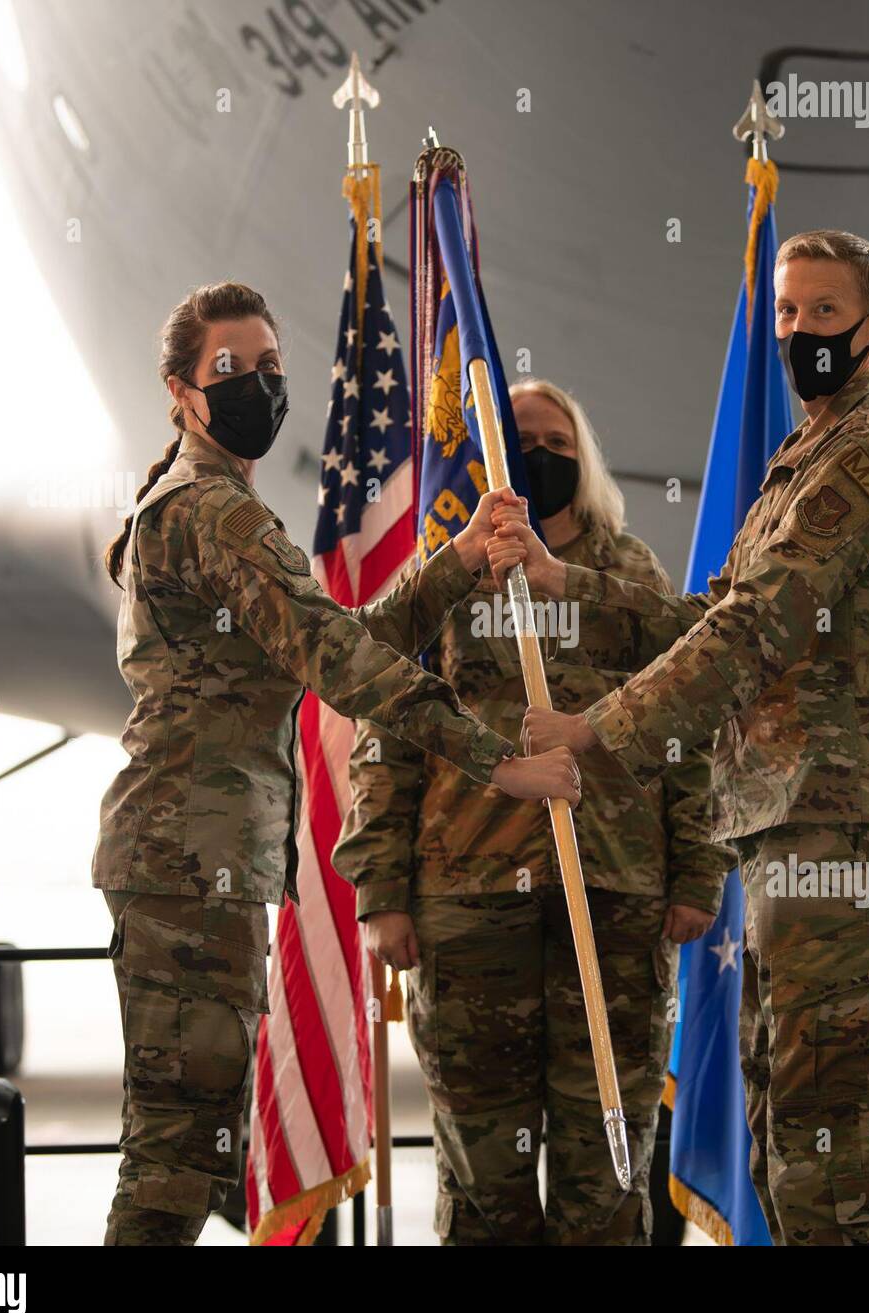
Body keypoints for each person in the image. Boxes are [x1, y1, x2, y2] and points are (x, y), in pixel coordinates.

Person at [489, 231, 869, 1246]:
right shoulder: (802, 460)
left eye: (822, 314)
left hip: (845, 830)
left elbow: (757, 625)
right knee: (784, 1136)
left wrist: (594, 736)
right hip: (788, 828)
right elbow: (714, 609)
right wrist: (568, 582)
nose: (795, 333)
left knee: (837, 1151)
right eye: (784, 314)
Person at [91, 281, 580, 1246]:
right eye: (231, 369)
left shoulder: (220, 507)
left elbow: (330, 640)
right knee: (178, 1149)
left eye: (272, 367)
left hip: (198, 856)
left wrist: (458, 562)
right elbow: (341, 663)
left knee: (192, 1138)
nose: (258, 386)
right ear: (182, 391)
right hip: (189, 858)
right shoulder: (211, 513)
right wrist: (500, 766)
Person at [333, 378, 732, 1245]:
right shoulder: (446, 575)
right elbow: (387, 732)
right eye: (523, 440)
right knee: (484, 1171)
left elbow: (690, 725)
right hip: (467, 898)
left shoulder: (626, 576)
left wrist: (699, 870)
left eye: (559, 441)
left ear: (582, 458)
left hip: (615, 895)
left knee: (608, 1165)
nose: (543, 455)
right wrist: (383, 891)